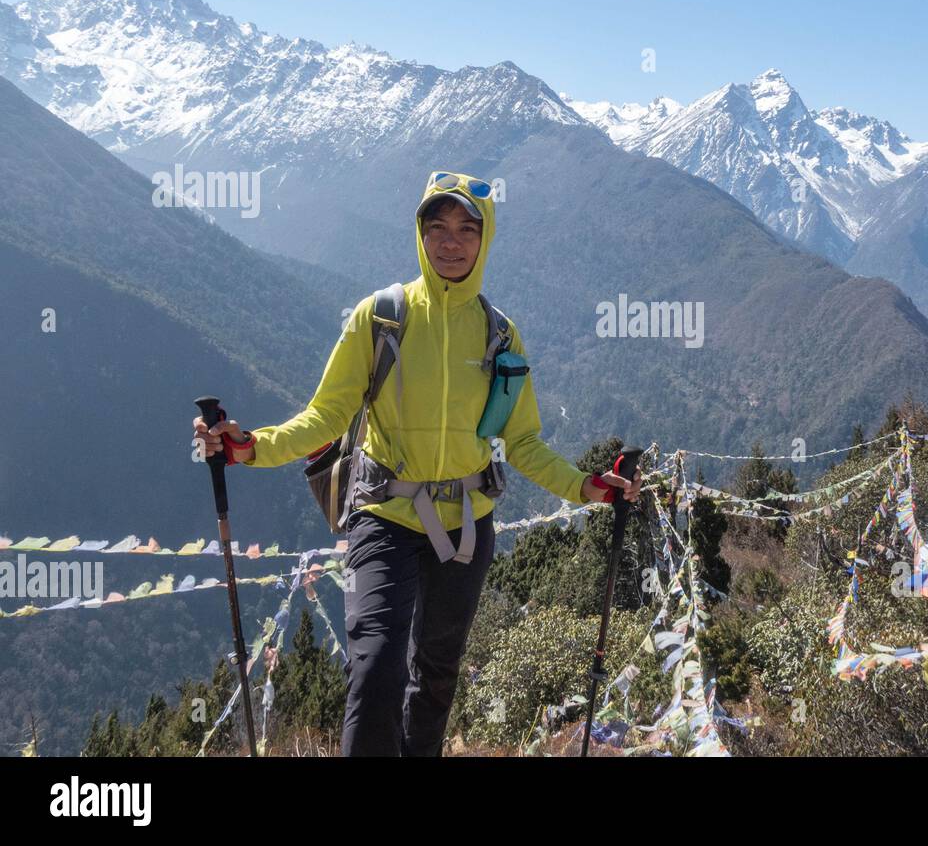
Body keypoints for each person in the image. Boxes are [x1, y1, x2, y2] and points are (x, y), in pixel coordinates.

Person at [193, 169, 641, 756]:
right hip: (382, 515)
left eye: (465, 229)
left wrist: (588, 487)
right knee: (375, 665)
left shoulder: (501, 336)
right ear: (420, 235)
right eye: (437, 228)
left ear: (486, 240)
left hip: (468, 523)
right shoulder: (380, 319)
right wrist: (251, 446)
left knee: (436, 672)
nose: (451, 242)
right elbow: (325, 417)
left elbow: (523, 441)